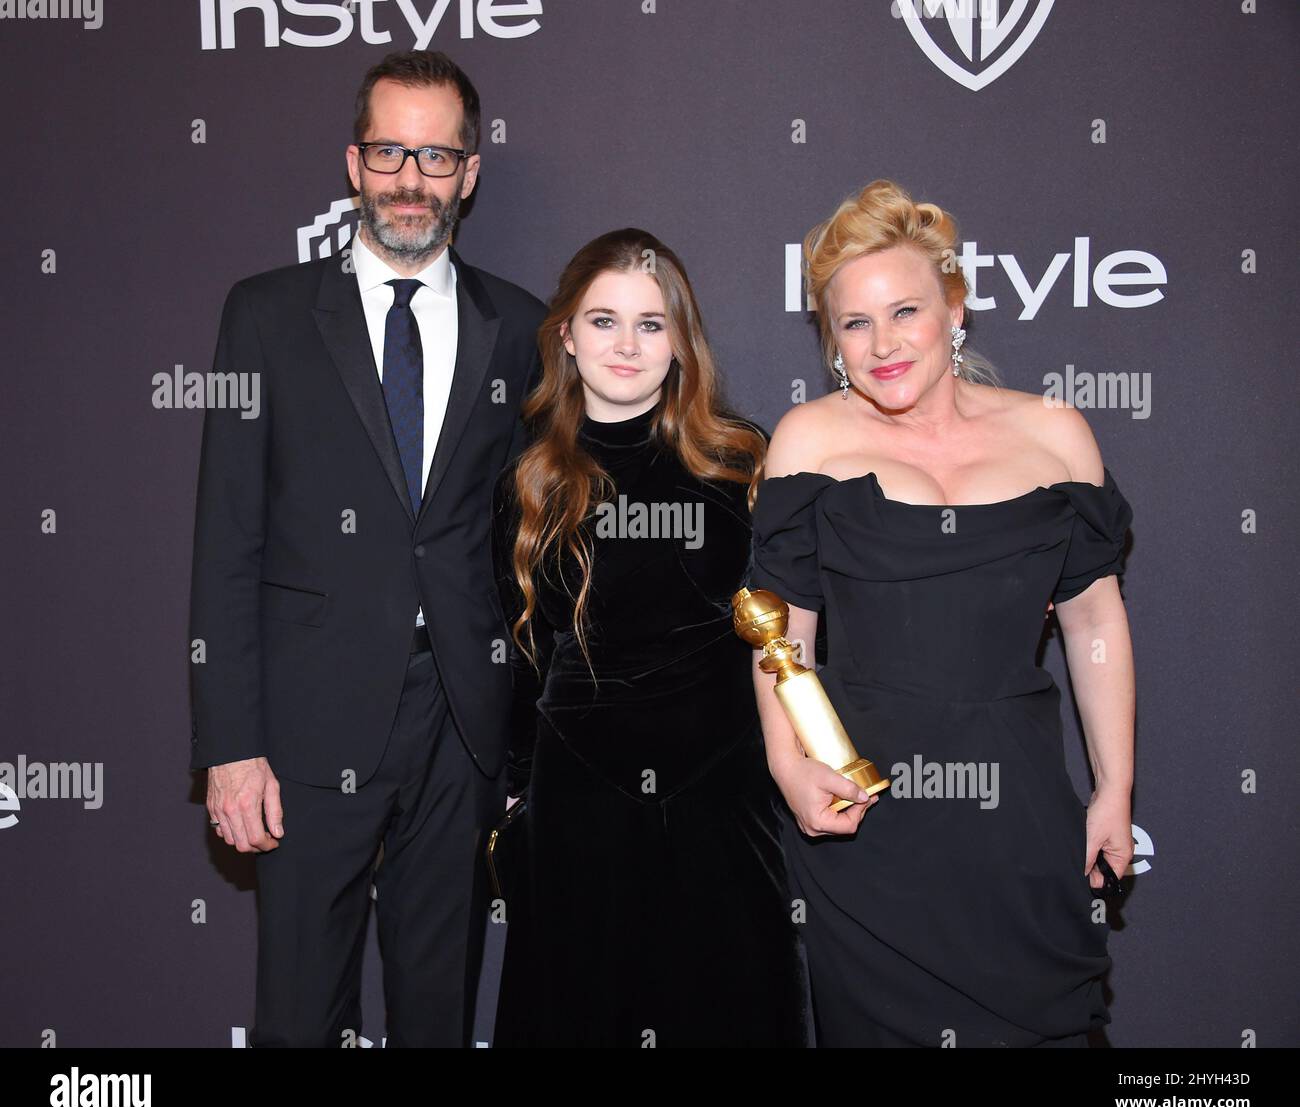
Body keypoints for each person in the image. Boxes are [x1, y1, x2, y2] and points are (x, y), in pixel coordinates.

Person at [188, 50, 546, 1047]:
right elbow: (225, 537)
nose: (410, 178)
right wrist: (228, 746)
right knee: (300, 1011)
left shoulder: (518, 328)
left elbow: (525, 547)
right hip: (303, 727)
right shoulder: (262, 315)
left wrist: (519, 735)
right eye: (390, 150)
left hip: (458, 721)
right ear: (354, 162)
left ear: (469, 174)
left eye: (436, 156)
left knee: (439, 1005)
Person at [748, 179, 1136, 1047]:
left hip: (1019, 817)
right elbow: (783, 633)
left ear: (955, 310)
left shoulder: (1055, 433)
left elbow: (1095, 624)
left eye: (906, 311)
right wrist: (787, 762)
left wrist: (1114, 787)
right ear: (832, 340)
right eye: (855, 323)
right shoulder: (808, 440)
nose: (882, 344)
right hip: (868, 820)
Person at [490, 229, 811, 1047]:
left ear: (682, 340)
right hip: (577, 801)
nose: (626, 345)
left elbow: (789, 635)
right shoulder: (529, 481)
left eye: (650, 323)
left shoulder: (742, 463)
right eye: (603, 321)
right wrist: (522, 790)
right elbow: (519, 652)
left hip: (720, 796)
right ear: (565, 335)